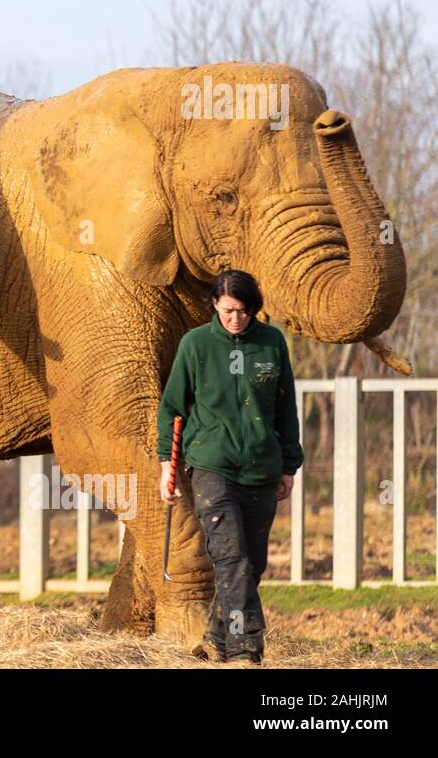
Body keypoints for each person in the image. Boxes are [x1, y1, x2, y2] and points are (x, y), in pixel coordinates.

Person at [156, 269, 302, 666]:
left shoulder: (271, 343)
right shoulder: (196, 345)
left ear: (253, 309)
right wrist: (166, 464)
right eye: (227, 310)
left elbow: (285, 409)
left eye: (242, 311)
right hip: (211, 467)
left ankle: (217, 638)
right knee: (232, 557)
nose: (235, 318)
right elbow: (171, 409)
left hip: (262, 467)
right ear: (215, 307)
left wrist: (289, 464)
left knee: (252, 564)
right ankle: (245, 649)